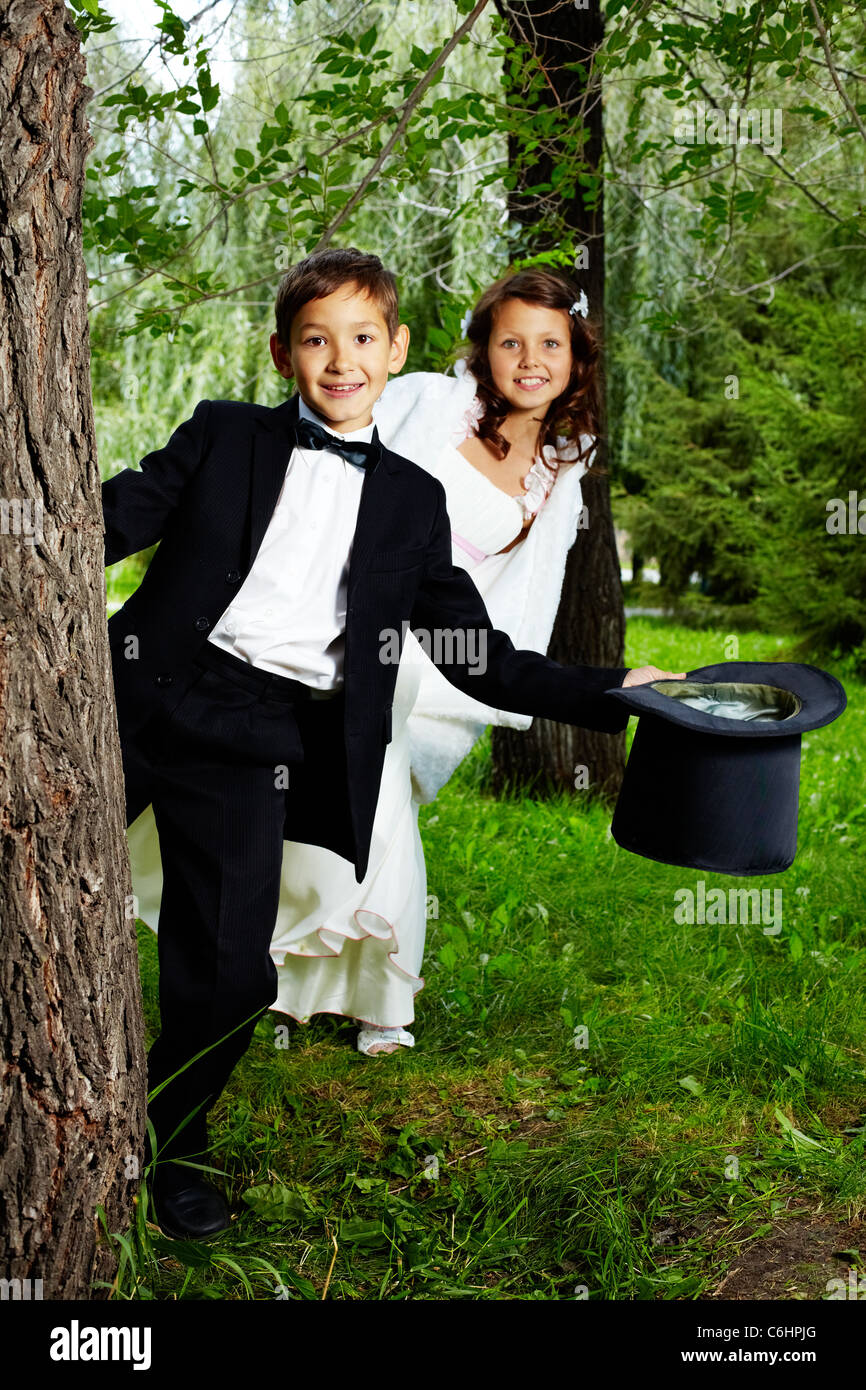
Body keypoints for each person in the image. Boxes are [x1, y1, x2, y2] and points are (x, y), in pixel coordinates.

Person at [110, 246, 683, 1241]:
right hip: (135, 696)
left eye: (362, 339)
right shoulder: (224, 435)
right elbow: (111, 515)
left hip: (255, 736)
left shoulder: (412, 503)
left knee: (234, 976)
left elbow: (479, 657)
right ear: (283, 352)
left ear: (397, 349)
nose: (341, 361)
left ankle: (170, 1146)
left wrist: (610, 691)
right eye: (317, 341)